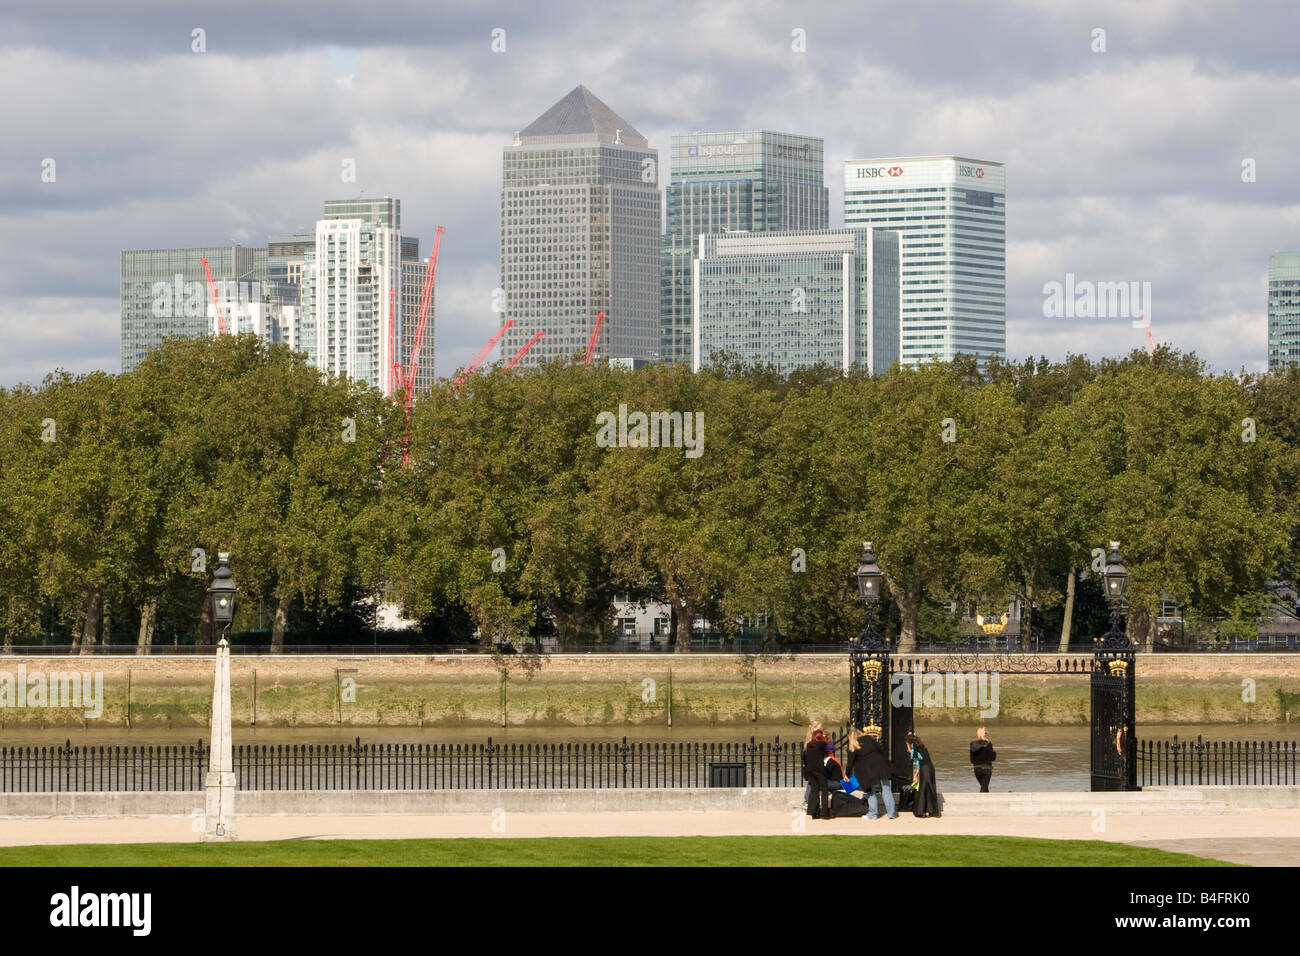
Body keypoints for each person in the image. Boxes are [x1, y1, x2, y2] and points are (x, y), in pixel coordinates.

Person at [845, 727, 896, 819]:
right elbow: (881, 750)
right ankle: (891, 813)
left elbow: (850, 763)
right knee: (886, 789)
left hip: (867, 770)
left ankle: (873, 813)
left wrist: (846, 774)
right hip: (881, 766)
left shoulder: (854, 745)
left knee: (870, 791)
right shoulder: (869, 738)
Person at [906, 731, 940, 818]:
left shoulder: (914, 747)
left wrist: (915, 775)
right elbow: (921, 761)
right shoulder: (922, 747)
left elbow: (914, 757)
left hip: (925, 769)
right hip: (930, 768)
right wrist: (917, 774)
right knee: (930, 789)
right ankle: (932, 811)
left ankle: (920, 812)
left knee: (923, 790)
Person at [802, 726, 832, 820]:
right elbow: (832, 747)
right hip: (819, 769)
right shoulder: (822, 744)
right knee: (824, 790)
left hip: (809, 770)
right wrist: (825, 737)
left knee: (814, 789)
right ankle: (824, 813)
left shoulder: (809, 745)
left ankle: (813, 812)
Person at [801, 722, 825, 809]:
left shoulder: (813, 740)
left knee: (812, 780)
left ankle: (807, 800)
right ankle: (808, 800)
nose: (821, 730)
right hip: (814, 766)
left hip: (812, 767)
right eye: (819, 729)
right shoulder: (813, 741)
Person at [970, 726, 996, 793]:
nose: (986, 735)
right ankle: (978, 802)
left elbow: (971, 759)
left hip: (977, 770)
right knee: (984, 789)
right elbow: (992, 758)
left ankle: (989, 802)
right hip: (986, 769)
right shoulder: (988, 744)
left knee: (984, 788)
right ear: (984, 734)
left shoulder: (972, 744)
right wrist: (993, 753)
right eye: (986, 733)